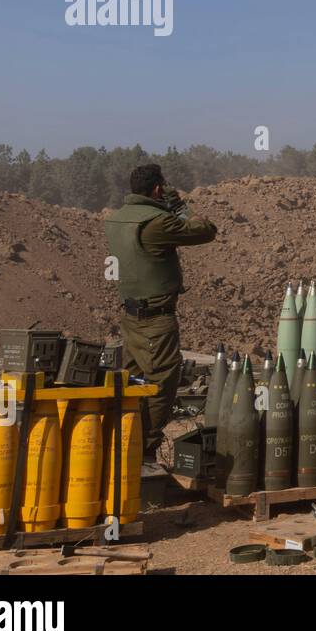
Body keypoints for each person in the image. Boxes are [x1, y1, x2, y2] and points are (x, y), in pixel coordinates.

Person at [104, 163, 217, 457]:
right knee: (161, 387)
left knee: (133, 382)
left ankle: (126, 446)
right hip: (156, 320)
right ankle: (145, 450)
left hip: (130, 317)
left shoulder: (117, 220)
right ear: (157, 189)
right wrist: (178, 204)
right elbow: (206, 230)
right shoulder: (156, 223)